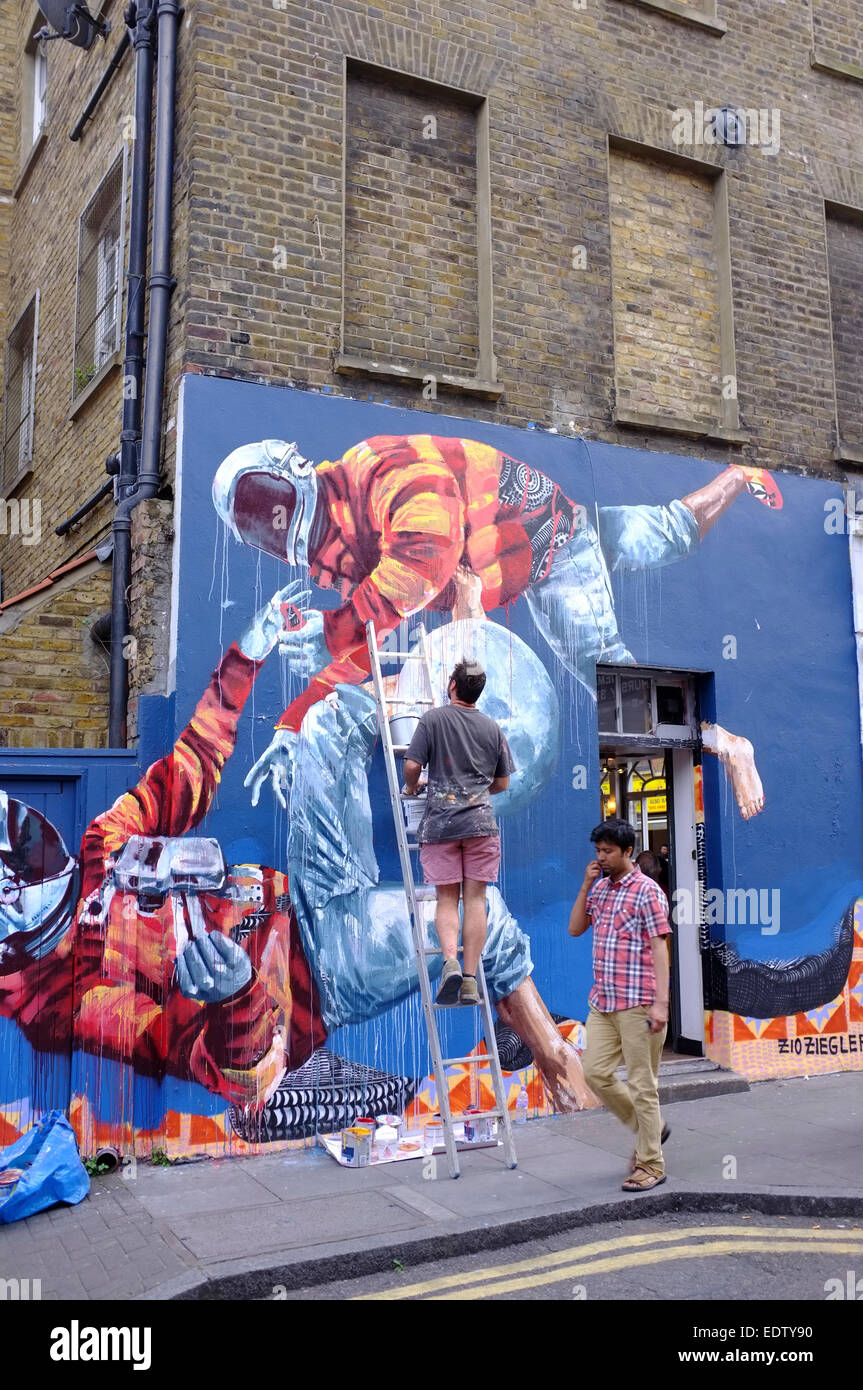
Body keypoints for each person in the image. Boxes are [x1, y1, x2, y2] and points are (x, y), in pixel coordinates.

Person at [210, 434, 782, 800]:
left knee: (617, 689)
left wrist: (334, 631)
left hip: (555, 556)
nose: (300, 550)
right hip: (550, 530)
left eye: (287, 525)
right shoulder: (353, 535)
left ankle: (725, 742)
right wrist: (295, 721)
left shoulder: (387, 473)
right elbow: (370, 636)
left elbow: (423, 561)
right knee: (668, 530)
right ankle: (739, 475)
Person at [402, 659, 515, 1007]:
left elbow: (411, 766)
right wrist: (476, 793)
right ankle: (469, 980)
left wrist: (411, 788)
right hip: (481, 825)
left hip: (442, 825)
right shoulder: (492, 728)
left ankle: (450, 960)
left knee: (447, 899)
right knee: (476, 900)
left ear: (453, 685)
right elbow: (502, 782)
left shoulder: (433, 719)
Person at [568, 817, 672, 1192]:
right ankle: (653, 1129)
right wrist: (585, 886)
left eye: (609, 851)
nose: (602, 857)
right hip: (603, 1001)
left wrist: (661, 1004)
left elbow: (661, 947)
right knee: (595, 1073)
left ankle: (651, 1164)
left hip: (638, 1003)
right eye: (598, 851)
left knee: (644, 1085)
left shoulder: (647, 892)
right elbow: (576, 928)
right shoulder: (599, 890)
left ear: (628, 851)